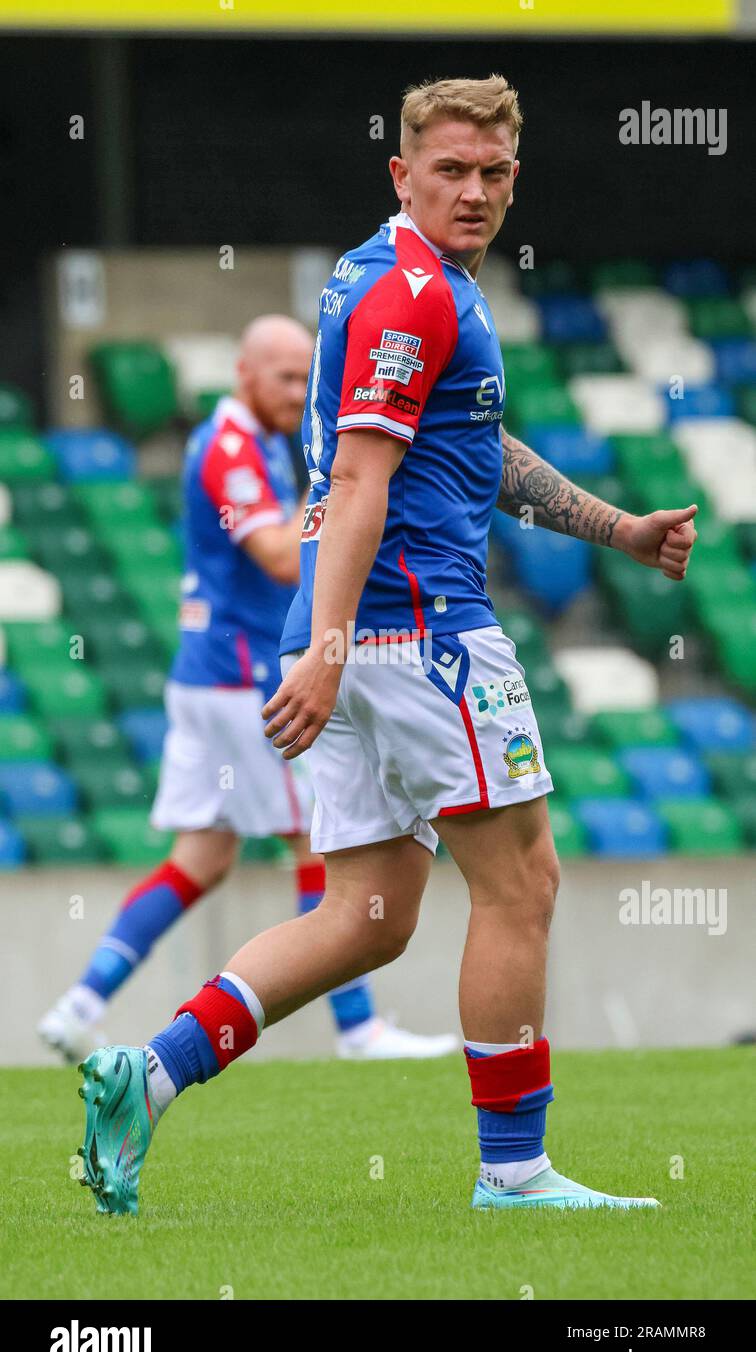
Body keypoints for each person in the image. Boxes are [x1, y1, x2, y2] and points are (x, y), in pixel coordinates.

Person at [75, 75, 697, 1216]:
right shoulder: (418, 294)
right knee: (522, 882)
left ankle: (147, 1072)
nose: (474, 190)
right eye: (450, 169)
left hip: (362, 646)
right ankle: (514, 1170)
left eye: (494, 172)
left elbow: (475, 447)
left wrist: (616, 526)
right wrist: (325, 644)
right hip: (420, 637)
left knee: (368, 913)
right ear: (401, 172)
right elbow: (359, 475)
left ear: (516, 176)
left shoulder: (384, 276)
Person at [40, 315, 456, 1066]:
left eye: (307, 379)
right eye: (285, 379)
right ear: (243, 372)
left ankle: (78, 1006)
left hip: (208, 679)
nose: (299, 394)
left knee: (201, 858)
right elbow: (276, 556)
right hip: (240, 679)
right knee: (316, 839)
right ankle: (358, 1029)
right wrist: (351, 498)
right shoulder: (231, 447)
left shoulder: (255, 440)